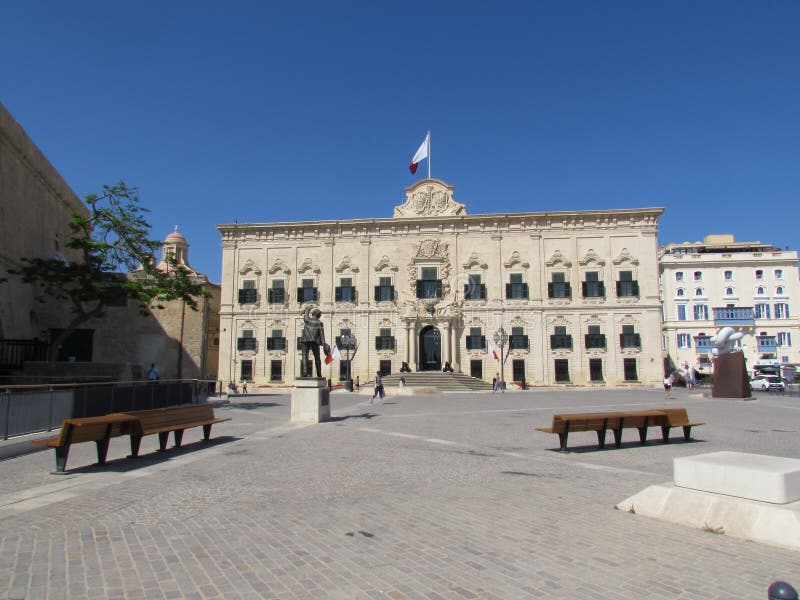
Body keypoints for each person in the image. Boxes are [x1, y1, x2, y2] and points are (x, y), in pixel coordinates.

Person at [300, 305, 330, 378]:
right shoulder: (319, 323)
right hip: (314, 341)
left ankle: (305, 372)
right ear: (318, 315)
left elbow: (305, 314)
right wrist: (324, 344)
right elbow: (322, 335)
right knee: (317, 357)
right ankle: (319, 374)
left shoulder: (307, 320)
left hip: (305, 340)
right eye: (320, 315)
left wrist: (308, 308)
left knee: (304, 356)